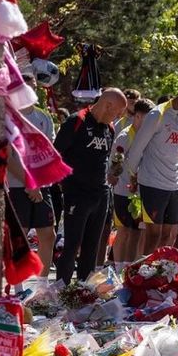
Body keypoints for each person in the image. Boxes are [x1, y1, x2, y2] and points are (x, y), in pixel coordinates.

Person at [124, 84, 178, 256]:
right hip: (152, 181)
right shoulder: (157, 115)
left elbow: (176, 152)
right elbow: (137, 148)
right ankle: (143, 274)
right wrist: (133, 175)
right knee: (153, 234)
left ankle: (157, 272)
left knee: (170, 234)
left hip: (174, 183)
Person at [54, 88, 124, 284]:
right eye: (117, 112)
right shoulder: (77, 122)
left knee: (92, 246)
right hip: (77, 193)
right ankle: (61, 289)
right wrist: (63, 183)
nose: (117, 117)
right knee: (72, 244)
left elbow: (105, 158)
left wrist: (113, 171)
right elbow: (56, 154)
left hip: (101, 194)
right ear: (107, 104)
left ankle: (83, 290)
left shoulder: (109, 128)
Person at [7, 96, 57, 278]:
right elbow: (7, 158)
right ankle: (17, 284)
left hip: (42, 185)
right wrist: (29, 183)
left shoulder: (43, 117)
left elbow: (49, 151)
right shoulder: (7, 118)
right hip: (17, 186)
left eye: (31, 81)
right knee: (19, 236)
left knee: (48, 234)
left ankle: (42, 288)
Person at [111, 99, 152, 263]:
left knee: (137, 232)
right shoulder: (124, 137)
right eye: (148, 119)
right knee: (123, 232)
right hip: (122, 191)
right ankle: (119, 266)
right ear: (138, 116)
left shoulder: (147, 135)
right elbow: (115, 166)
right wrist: (127, 176)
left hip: (140, 193)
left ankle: (131, 267)